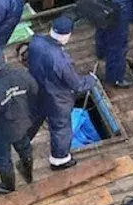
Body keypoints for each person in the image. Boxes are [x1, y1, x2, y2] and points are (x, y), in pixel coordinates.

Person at [27, 16, 97, 170]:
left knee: (33, 118)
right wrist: (90, 80)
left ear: (51, 29)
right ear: (68, 35)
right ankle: (59, 160)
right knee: (60, 128)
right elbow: (76, 84)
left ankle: (22, 142)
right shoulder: (61, 60)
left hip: (37, 90)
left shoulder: (35, 42)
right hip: (57, 99)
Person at [0, 54, 40, 194]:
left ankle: (7, 186)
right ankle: (28, 172)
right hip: (22, 122)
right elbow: (34, 90)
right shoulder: (22, 74)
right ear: (5, 58)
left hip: (1, 131)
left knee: (2, 158)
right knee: (24, 146)